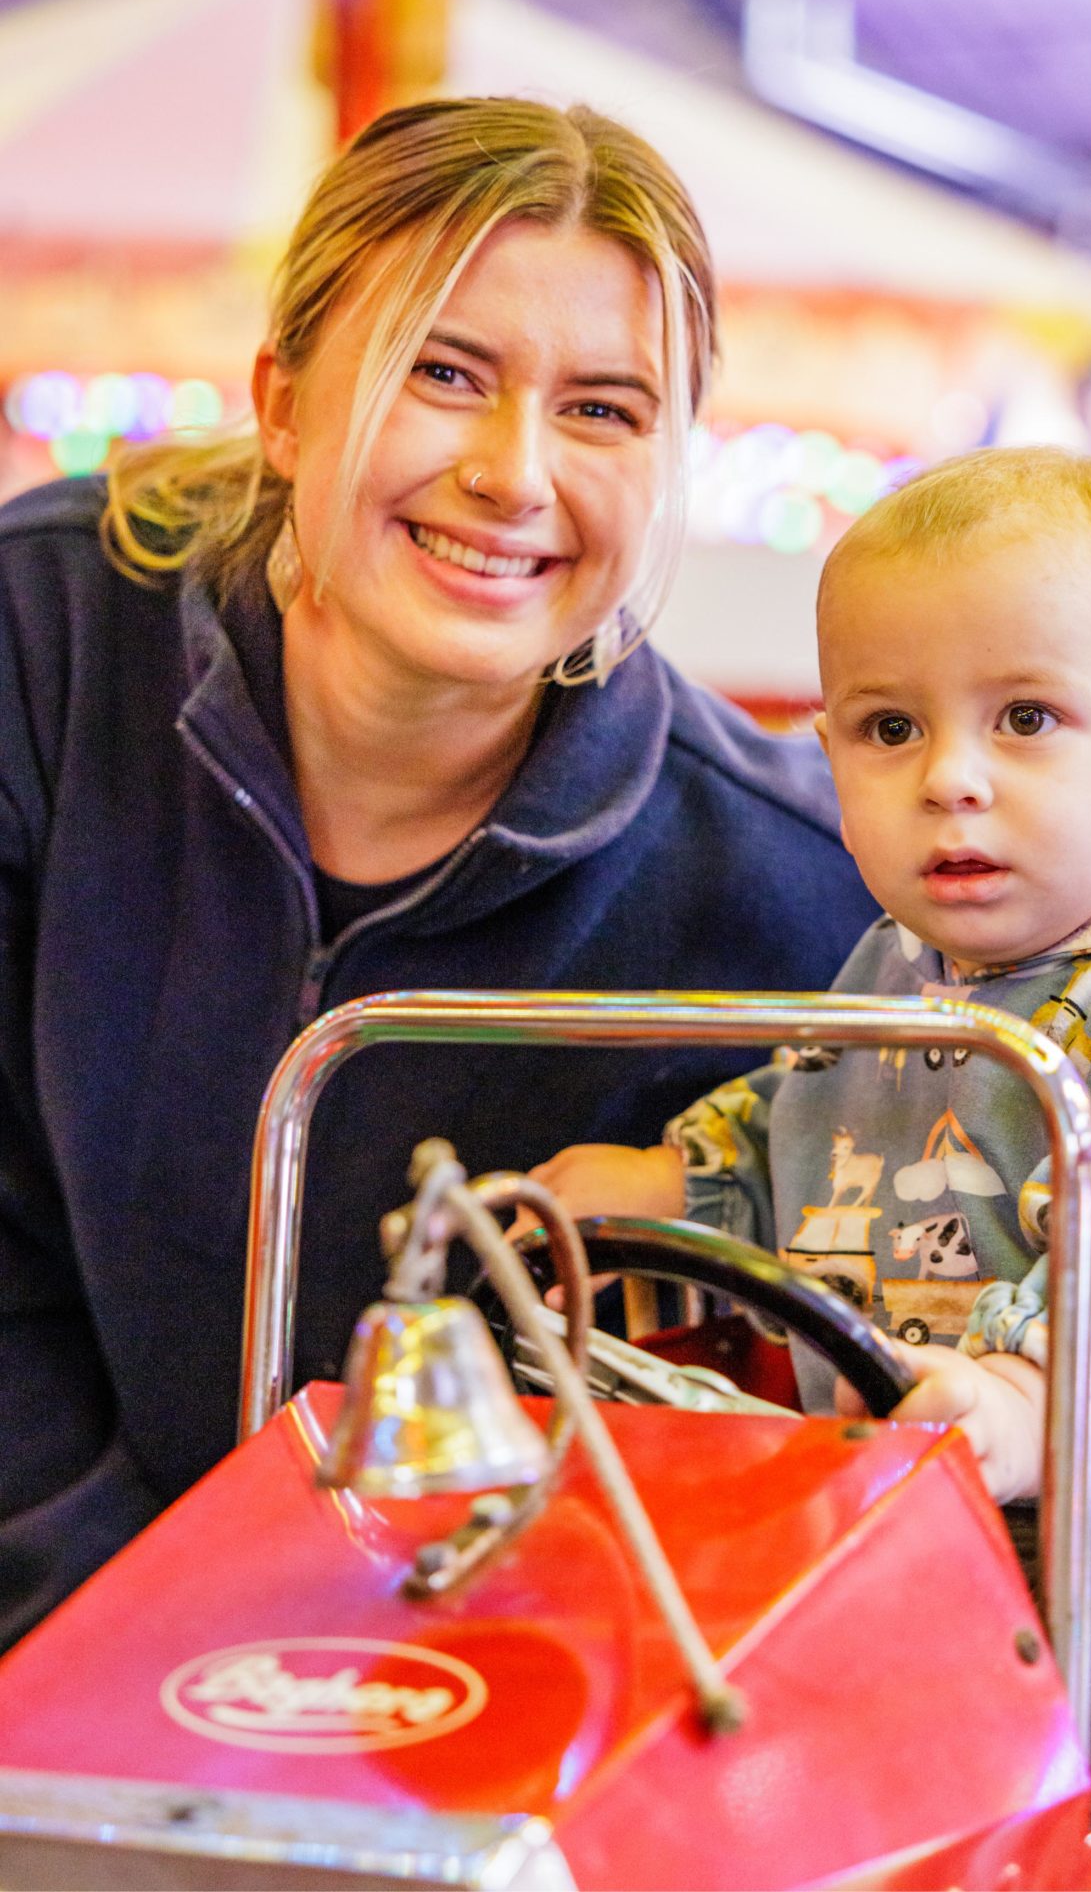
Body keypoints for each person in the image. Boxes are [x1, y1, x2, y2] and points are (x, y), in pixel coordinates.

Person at [0, 97, 878, 1648]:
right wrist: (127, 1639)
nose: (512, 473)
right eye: (443, 372)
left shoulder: (795, 889)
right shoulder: (45, 640)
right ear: (284, 404)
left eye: (603, 409)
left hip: (480, 1678)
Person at [533, 446, 1091, 1822]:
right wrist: (678, 1181)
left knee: (1085, 1738)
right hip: (935, 1493)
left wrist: (1028, 1394)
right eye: (890, 727)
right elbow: (808, 1124)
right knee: (663, 1670)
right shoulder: (897, 972)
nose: (950, 777)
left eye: (1026, 718)